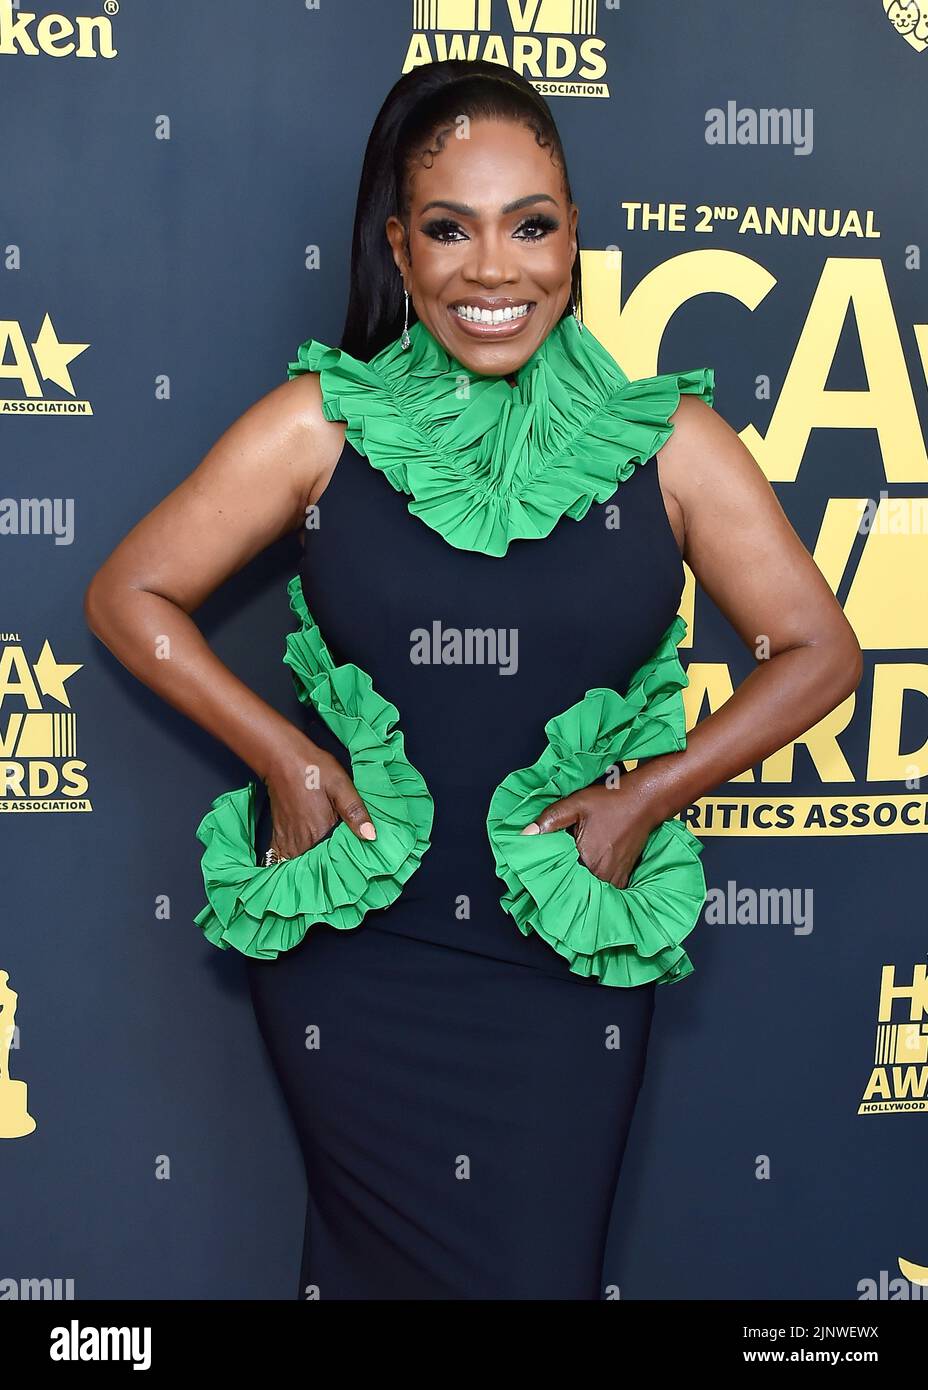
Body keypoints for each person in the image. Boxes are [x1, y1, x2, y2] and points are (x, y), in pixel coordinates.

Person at [83, 59, 862, 1300]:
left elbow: (822, 651)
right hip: (357, 960)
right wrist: (283, 758)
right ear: (397, 247)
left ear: (571, 242)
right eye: (449, 228)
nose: (493, 271)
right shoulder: (320, 423)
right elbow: (128, 593)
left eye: (530, 225)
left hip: (562, 973)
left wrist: (647, 795)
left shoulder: (667, 441)